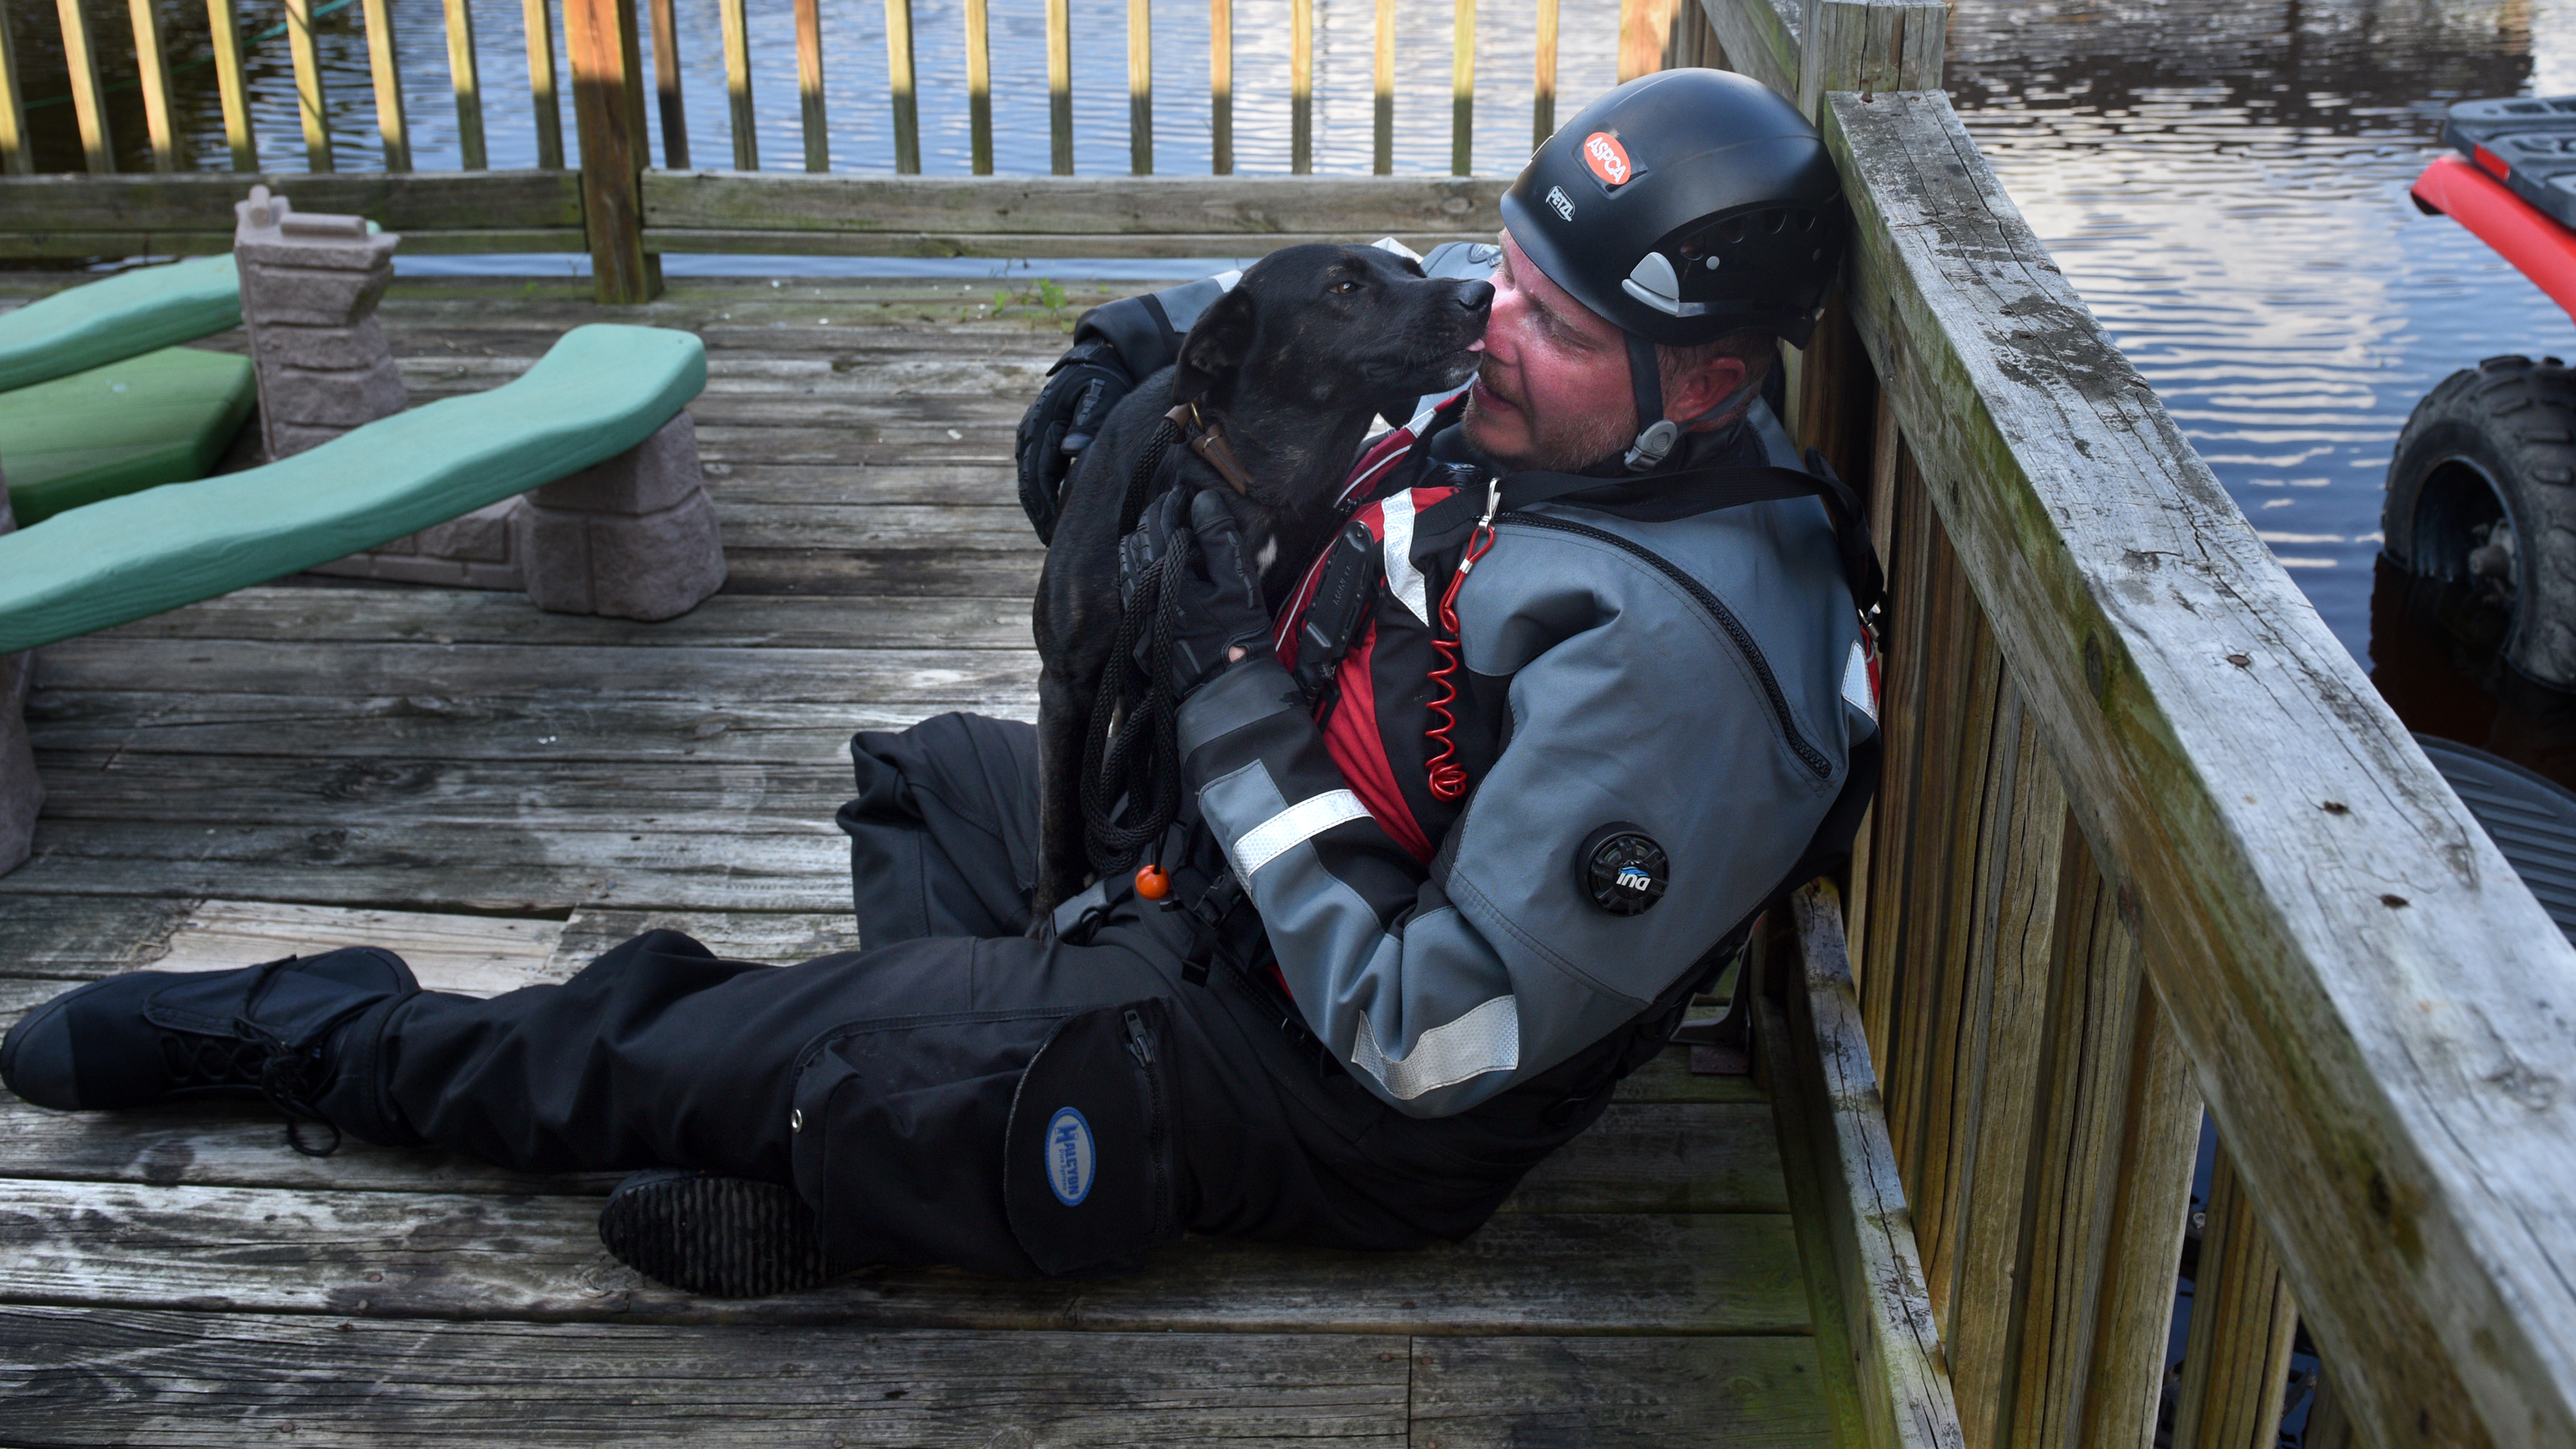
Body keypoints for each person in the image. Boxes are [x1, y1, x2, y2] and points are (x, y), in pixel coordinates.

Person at [0, 69, 1881, 1295]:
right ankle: (960, 1104)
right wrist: (1116, 349)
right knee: (919, 779)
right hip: (1226, 881)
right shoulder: (1576, 376)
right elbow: (1361, 288)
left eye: (1548, 320)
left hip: (1334, 1066)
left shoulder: (1687, 666)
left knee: (697, 1039)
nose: (1486, 316)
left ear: (1707, 381)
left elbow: (1432, 1032)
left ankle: (326, 1037)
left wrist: (1230, 698)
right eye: (1514, 267)